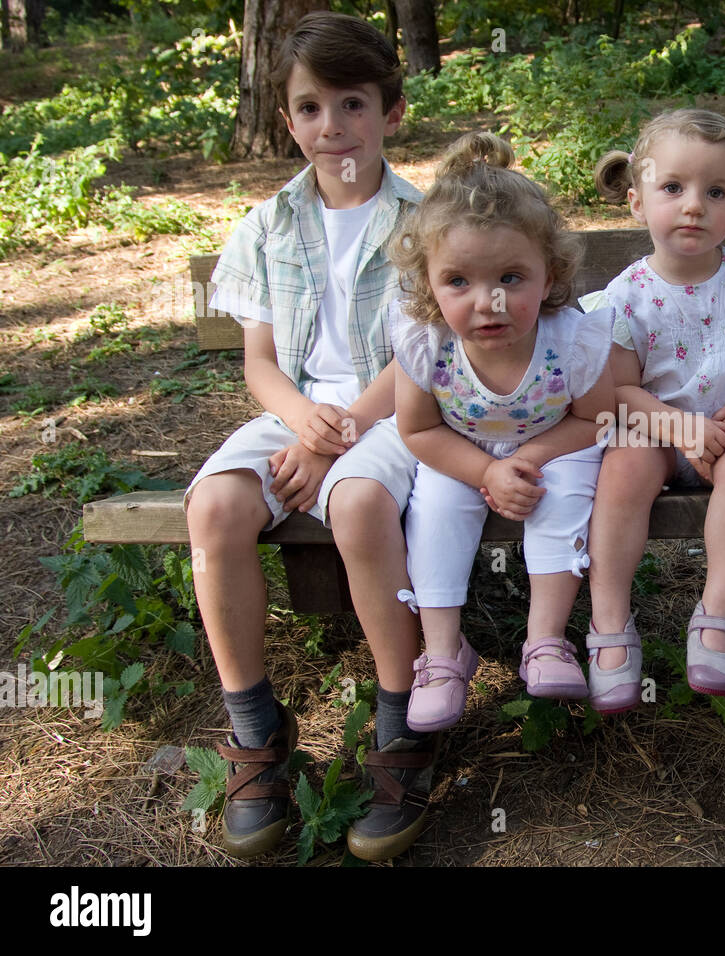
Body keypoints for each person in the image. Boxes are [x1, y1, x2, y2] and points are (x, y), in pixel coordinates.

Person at [183, 11, 433, 860]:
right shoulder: (266, 226)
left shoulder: (422, 222)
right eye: (312, 108)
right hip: (292, 414)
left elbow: (423, 355)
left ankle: (403, 727)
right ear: (287, 121)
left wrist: (340, 434)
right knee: (215, 510)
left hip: (392, 412)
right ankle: (255, 730)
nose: (334, 127)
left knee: (361, 506)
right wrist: (299, 422)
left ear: (391, 113)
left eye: (353, 104)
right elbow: (259, 363)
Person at [579, 109, 725, 712]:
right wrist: (677, 425)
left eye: (715, 192)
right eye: (672, 188)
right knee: (623, 464)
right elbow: (620, 393)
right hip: (658, 432)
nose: (693, 206)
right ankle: (609, 627)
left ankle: (716, 617)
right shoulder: (625, 295)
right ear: (636, 201)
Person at [388, 133, 614, 733]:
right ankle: (441, 653)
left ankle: (545, 640)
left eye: (512, 277)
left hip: (554, 445)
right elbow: (418, 429)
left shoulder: (571, 338)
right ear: (429, 283)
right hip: (459, 453)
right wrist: (485, 471)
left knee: (564, 495)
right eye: (458, 281)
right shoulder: (426, 342)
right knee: (433, 505)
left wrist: (531, 459)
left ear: (549, 275)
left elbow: (595, 419)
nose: (489, 302)